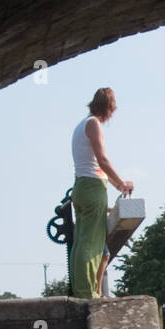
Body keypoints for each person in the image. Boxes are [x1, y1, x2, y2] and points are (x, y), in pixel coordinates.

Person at [69, 87, 133, 298]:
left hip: (80, 187)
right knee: (92, 242)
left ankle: (82, 289)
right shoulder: (93, 124)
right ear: (107, 109)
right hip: (93, 186)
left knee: (82, 240)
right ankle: (87, 292)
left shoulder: (80, 125)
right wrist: (121, 184)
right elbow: (102, 159)